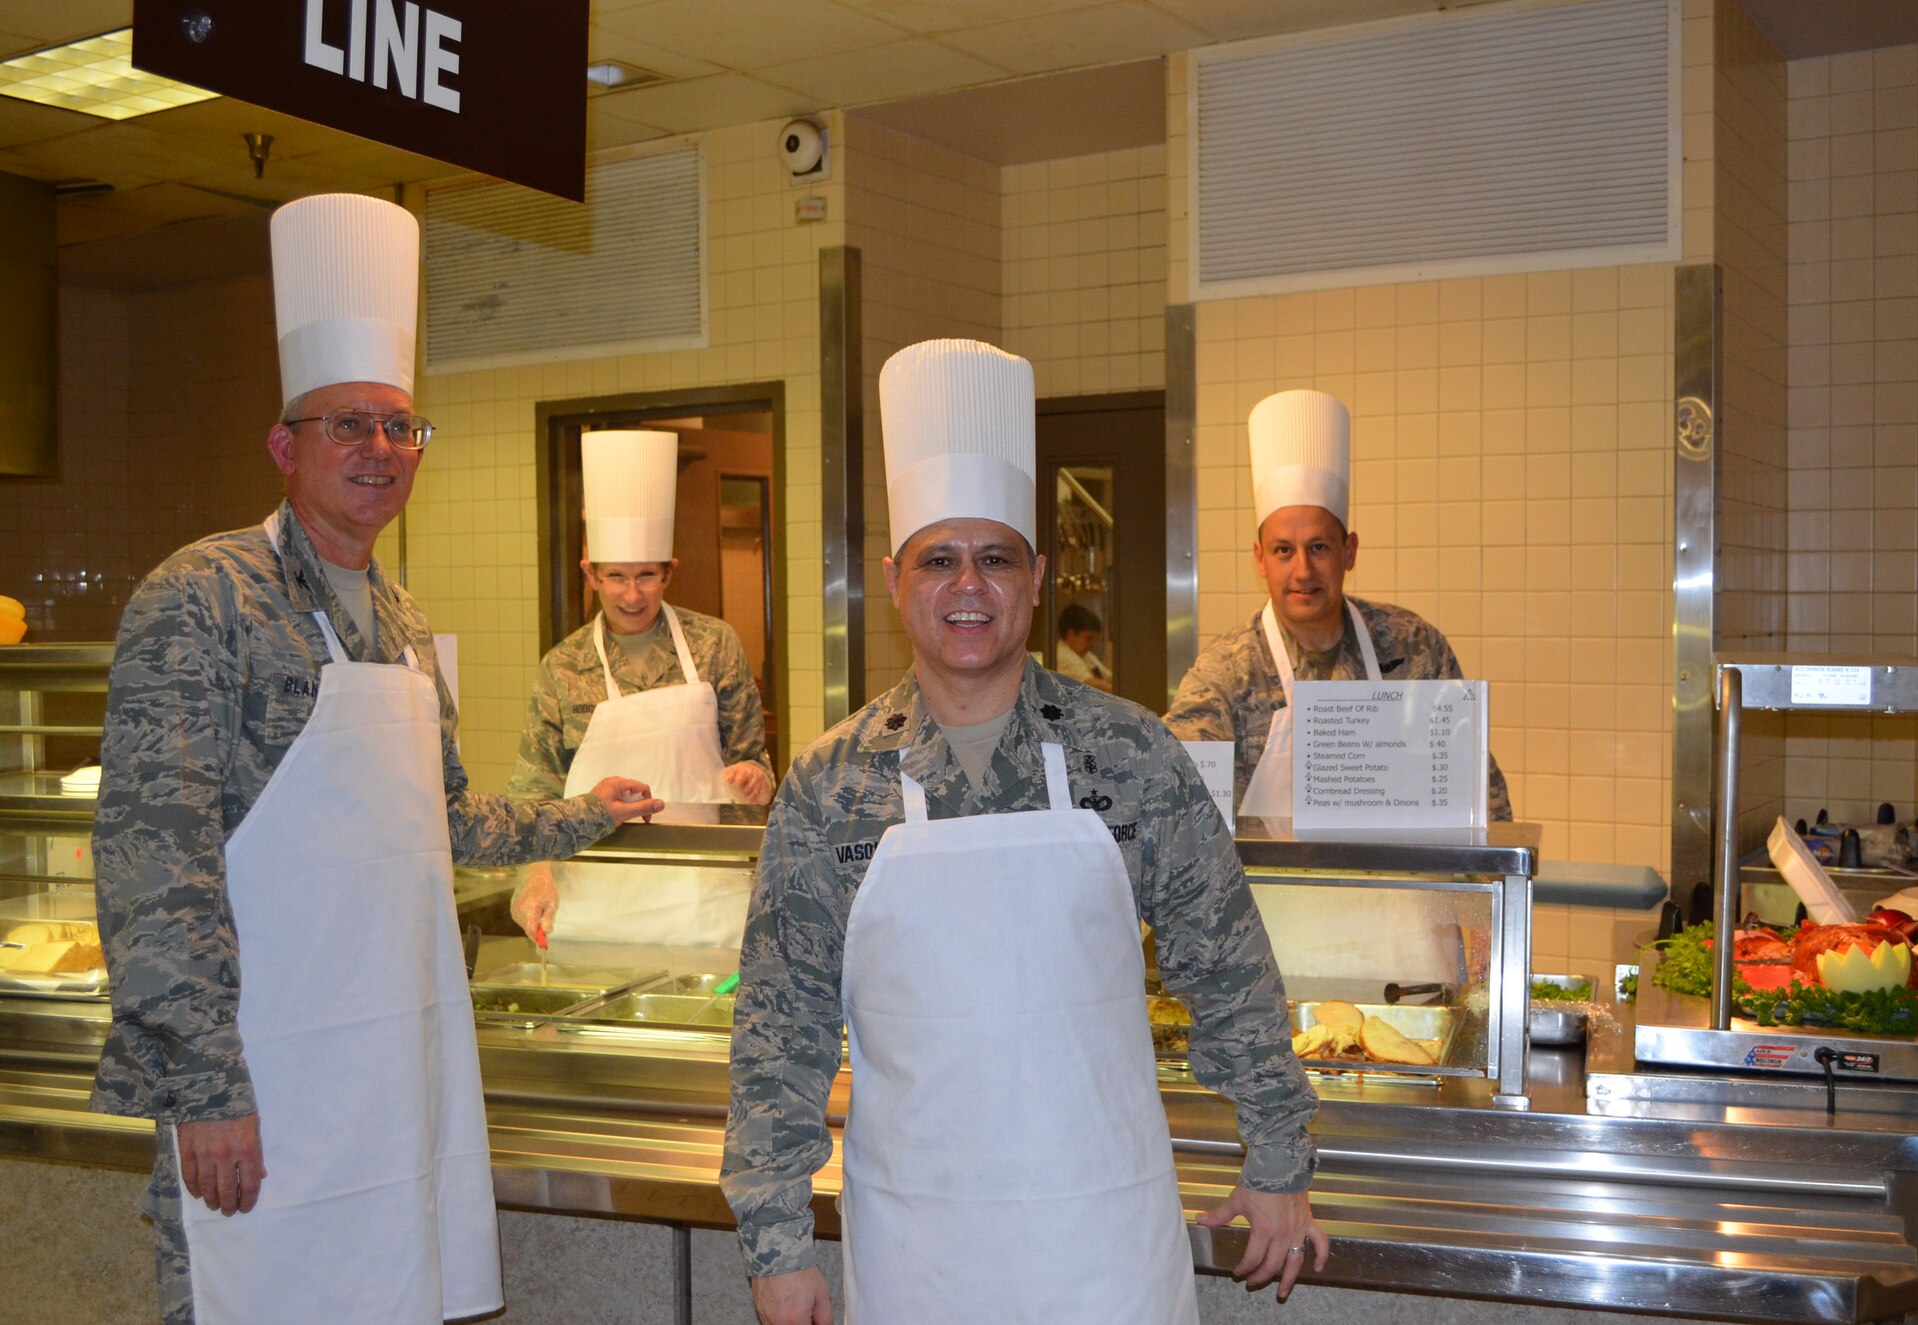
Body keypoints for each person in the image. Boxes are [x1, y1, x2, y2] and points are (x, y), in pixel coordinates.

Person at [89, 194, 665, 1325]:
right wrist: (202, 1087)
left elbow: (444, 821)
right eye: (346, 424)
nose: (380, 450)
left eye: (400, 427)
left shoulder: (397, 617)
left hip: (388, 1083)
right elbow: (157, 868)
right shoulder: (201, 597)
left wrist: (579, 811)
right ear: (283, 444)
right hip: (258, 1081)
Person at [721, 339, 1326, 1325]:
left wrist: (1276, 1156)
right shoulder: (830, 782)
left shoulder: (1128, 752)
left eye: (995, 557)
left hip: (1100, 1238)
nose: (969, 585)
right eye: (939, 558)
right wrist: (775, 1241)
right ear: (894, 577)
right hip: (919, 1241)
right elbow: (780, 1032)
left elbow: (1225, 966)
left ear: (1036, 576)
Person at [1166, 388, 1512, 823]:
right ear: (1260, 560)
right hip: (1272, 892)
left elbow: (1480, 796)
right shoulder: (1224, 675)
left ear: (1349, 552)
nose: (1303, 571)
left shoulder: (1414, 647)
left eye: (1319, 547)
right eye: (1283, 551)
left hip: (1402, 888)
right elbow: (1181, 810)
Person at [506, 429, 775, 946]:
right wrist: (534, 870)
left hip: (704, 900)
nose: (632, 595)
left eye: (647, 575)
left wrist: (756, 782)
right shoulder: (563, 666)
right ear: (590, 574)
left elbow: (752, 763)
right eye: (616, 577)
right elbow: (534, 794)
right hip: (596, 902)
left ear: (670, 572)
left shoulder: (714, 645)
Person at [1053, 601, 1113, 691]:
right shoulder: (1062, 656)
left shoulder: (1085, 655)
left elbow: (1109, 677)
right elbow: (1092, 684)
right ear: (1071, 635)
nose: (1093, 644)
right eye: (1089, 639)